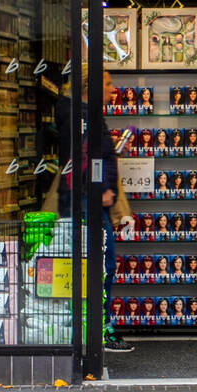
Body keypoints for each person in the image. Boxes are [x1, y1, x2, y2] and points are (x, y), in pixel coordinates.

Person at [56, 66, 133, 353]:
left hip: (90, 201)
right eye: (108, 84)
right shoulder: (81, 117)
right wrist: (99, 190)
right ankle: (99, 329)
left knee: (102, 264)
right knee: (102, 264)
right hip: (86, 203)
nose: (114, 90)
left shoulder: (89, 115)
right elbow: (79, 161)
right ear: (91, 86)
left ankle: (97, 327)